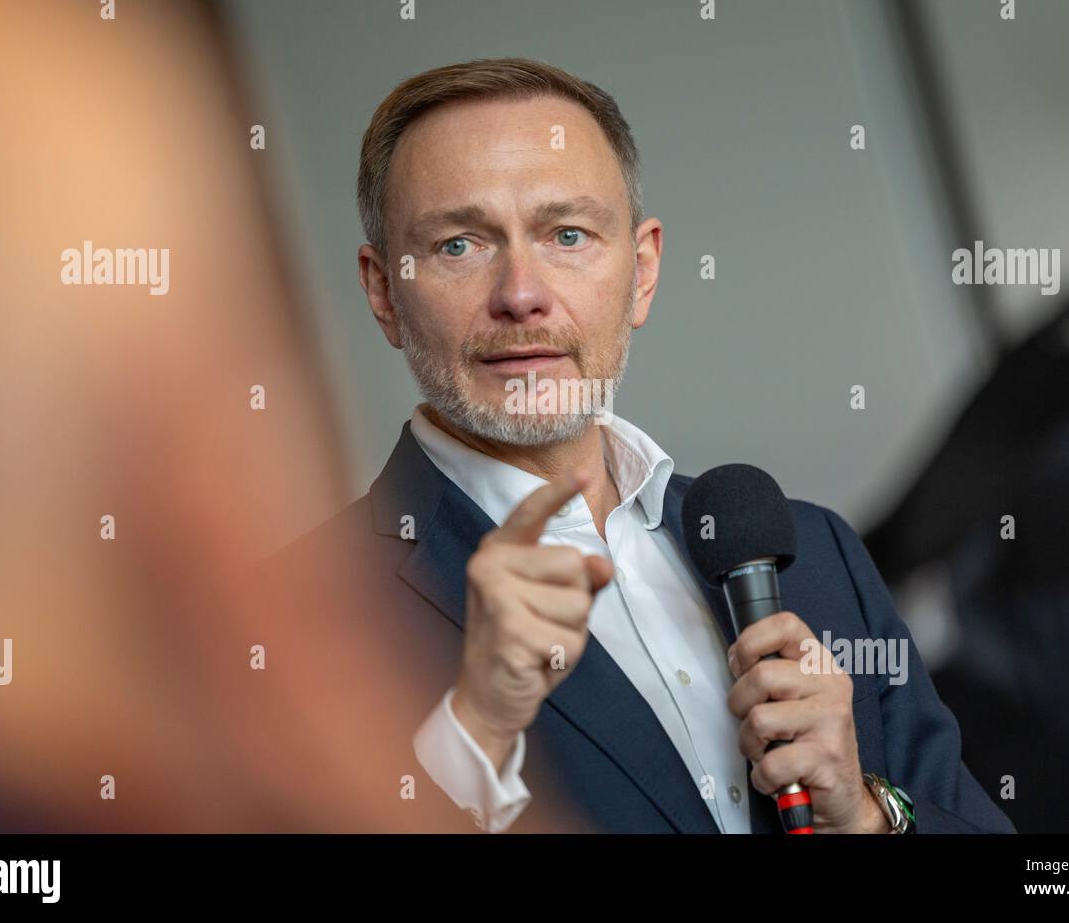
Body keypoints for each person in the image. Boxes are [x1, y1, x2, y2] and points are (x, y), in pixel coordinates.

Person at [270, 56, 1016, 834]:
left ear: (644, 270)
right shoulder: (293, 622)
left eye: (567, 234)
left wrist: (866, 816)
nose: (521, 294)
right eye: (460, 244)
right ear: (384, 290)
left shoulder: (820, 555)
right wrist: (475, 732)